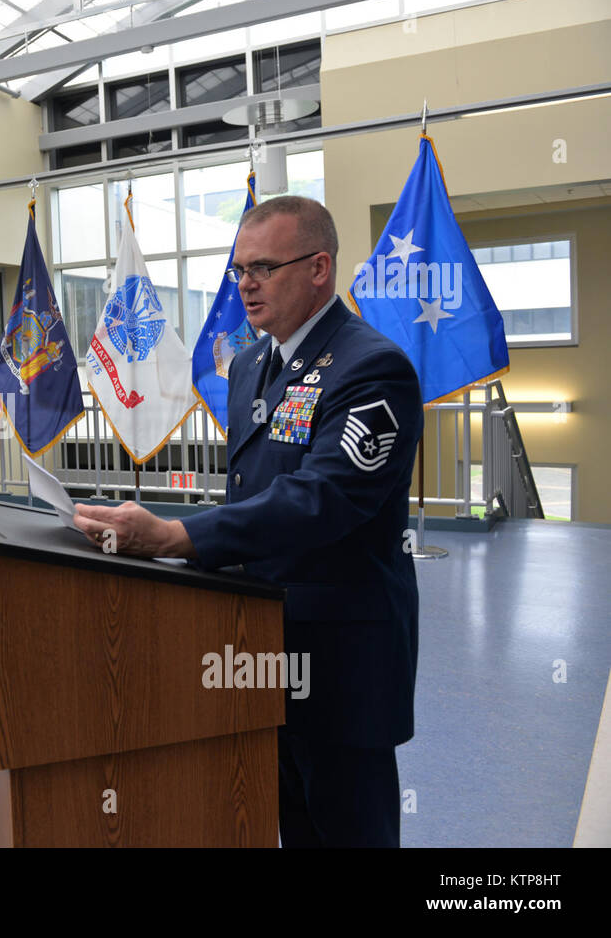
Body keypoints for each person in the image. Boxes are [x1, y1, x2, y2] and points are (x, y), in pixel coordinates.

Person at [74, 196, 422, 847]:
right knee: (288, 819)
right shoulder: (252, 367)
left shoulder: (371, 368)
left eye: (263, 267)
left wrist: (181, 537)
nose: (245, 284)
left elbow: (323, 497)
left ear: (319, 268)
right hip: (259, 643)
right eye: (238, 270)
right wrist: (168, 528)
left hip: (343, 659)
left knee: (350, 829)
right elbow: (251, 495)